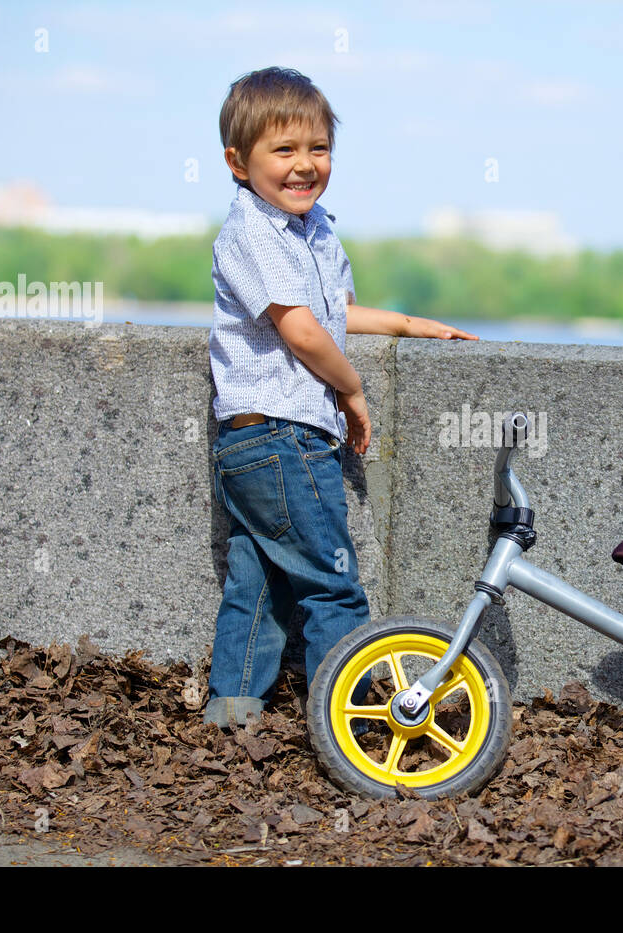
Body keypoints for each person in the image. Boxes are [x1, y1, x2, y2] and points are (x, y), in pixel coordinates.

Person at [204, 66, 476, 731]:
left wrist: (411, 324)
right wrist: (351, 390)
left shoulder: (315, 229)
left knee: (258, 584)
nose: (304, 166)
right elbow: (301, 332)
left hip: (260, 440)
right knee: (332, 585)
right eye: (284, 151)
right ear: (239, 163)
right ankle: (352, 727)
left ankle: (232, 715)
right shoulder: (252, 231)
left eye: (317, 149)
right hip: (280, 434)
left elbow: (331, 314)